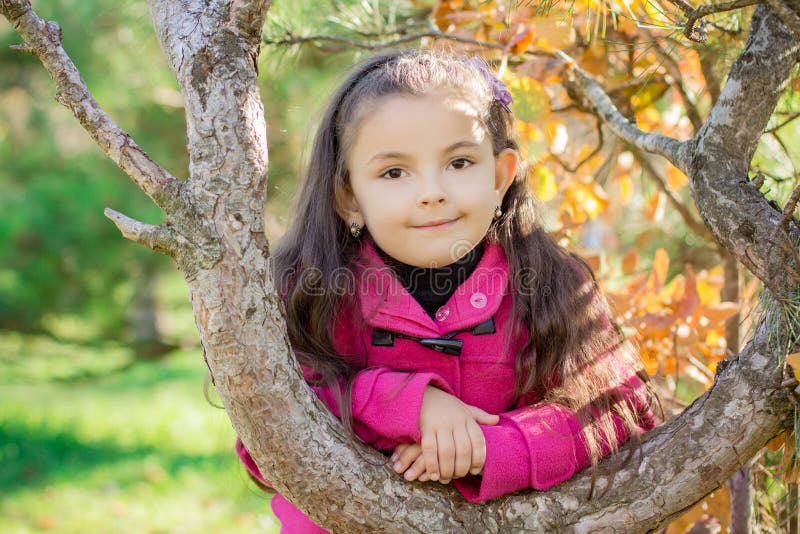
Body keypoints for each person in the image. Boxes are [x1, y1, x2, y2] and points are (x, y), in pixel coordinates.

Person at [235, 49, 660, 532]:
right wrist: (408, 405)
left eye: (459, 162)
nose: (431, 191)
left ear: (500, 177)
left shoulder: (550, 283)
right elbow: (265, 436)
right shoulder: (315, 292)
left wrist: (492, 447)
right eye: (394, 172)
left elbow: (621, 407)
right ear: (349, 196)